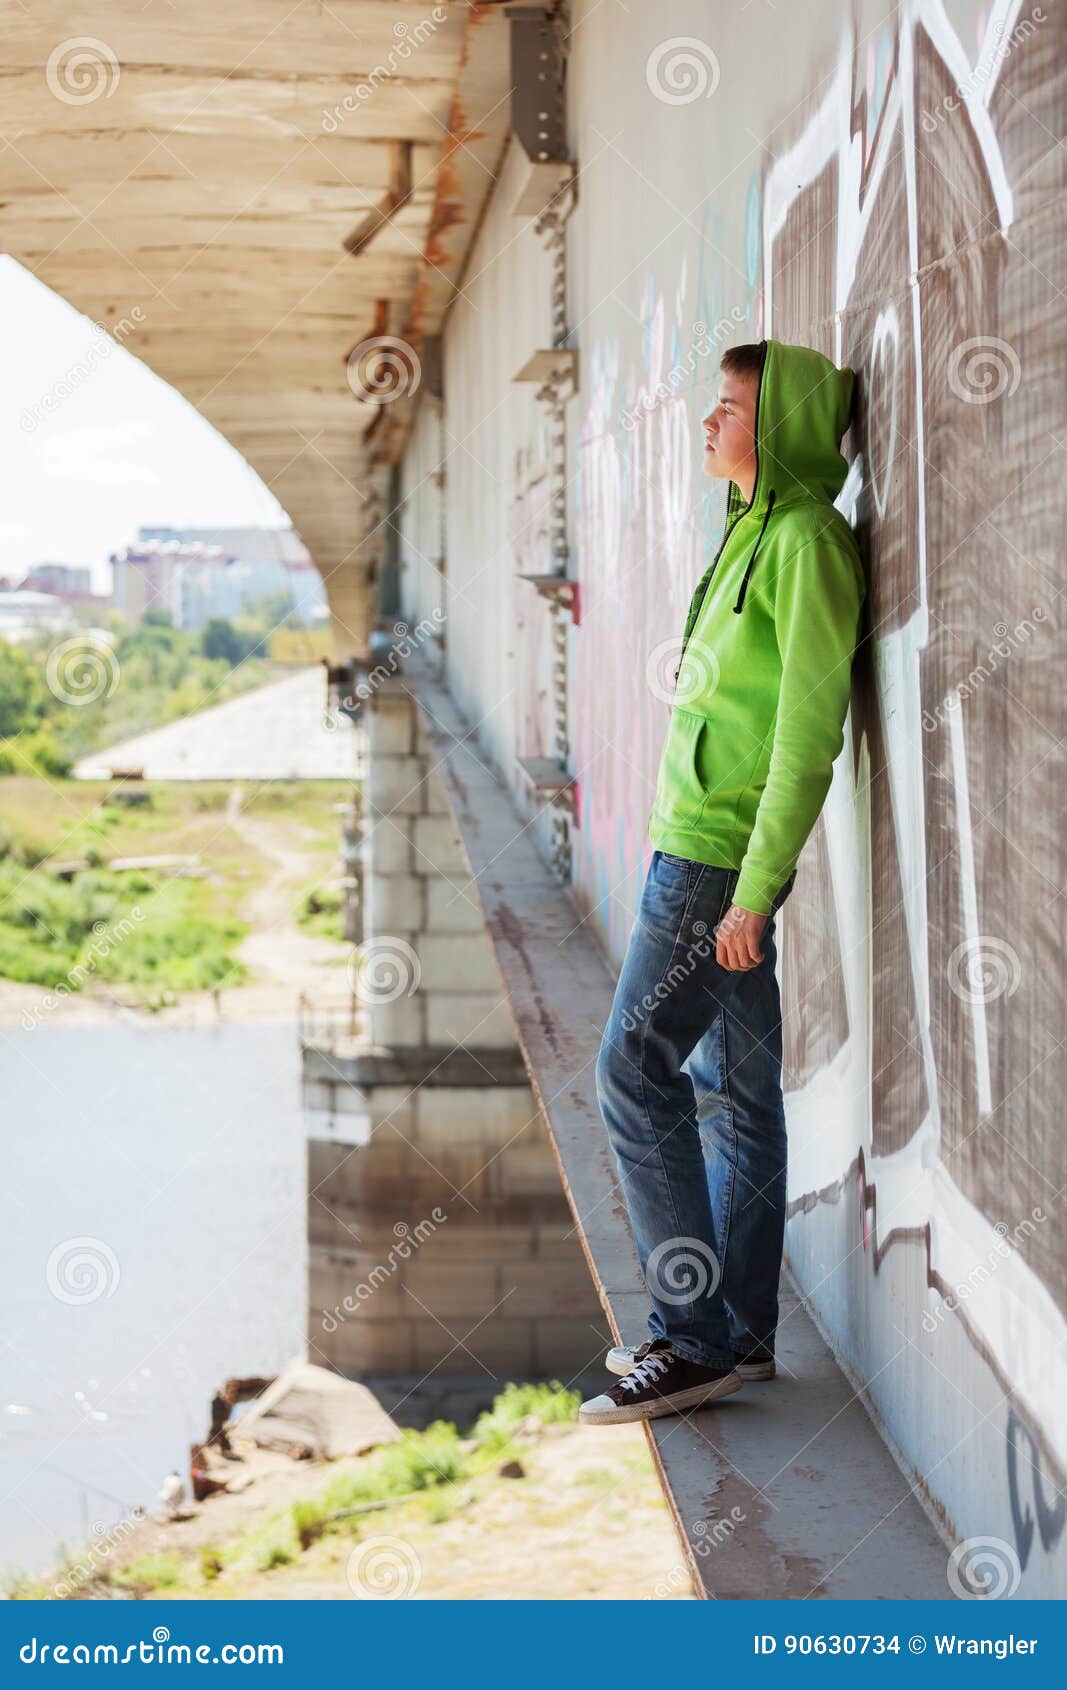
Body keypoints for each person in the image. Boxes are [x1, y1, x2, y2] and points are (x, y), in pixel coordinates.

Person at [581, 339, 866, 1426]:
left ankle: (689, 1338)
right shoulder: (749, 531)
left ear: (781, 427)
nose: (708, 422)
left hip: (715, 865)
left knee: (630, 1071)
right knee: (737, 1095)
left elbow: (802, 735)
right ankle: (736, 1332)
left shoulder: (803, 545)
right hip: (698, 852)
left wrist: (752, 892)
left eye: (729, 407)